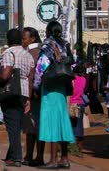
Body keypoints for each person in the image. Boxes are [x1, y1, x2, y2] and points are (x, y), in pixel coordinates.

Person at [0, 29, 34, 167]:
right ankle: (11, 155)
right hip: (24, 92)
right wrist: (29, 98)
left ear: (8, 40)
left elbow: (5, 75)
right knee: (16, 124)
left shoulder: (9, 53)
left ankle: (16, 158)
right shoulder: (28, 55)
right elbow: (31, 77)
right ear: (21, 39)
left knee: (12, 126)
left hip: (11, 92)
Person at [36, 21, 75, 169]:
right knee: (62, 119)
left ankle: (53, 159)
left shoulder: (47, 45)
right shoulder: (65, 45)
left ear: (48, 31)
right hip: (62, 86)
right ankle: (64, 158)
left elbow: (41, 67)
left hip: (50, 86)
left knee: (51, 121)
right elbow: (73, 62)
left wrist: (35, 86)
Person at [22, 27, 45, 167]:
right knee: (36, 128)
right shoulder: (40, 52)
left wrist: (28, 98)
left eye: (24, 38)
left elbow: (30, 77)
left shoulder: (32, 53)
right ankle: (35, 156)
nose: (22, 41)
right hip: (41, 95)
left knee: (32, 128)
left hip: (33, 95)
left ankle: (33, 156)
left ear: (32, 39)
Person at [70, 64, 88, 155]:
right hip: (80, 105)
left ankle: (71, 148)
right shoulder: (84, 80)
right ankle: (80, 149)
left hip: (71, 105)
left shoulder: (72, 79)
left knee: (70, 127)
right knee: (79, 128)